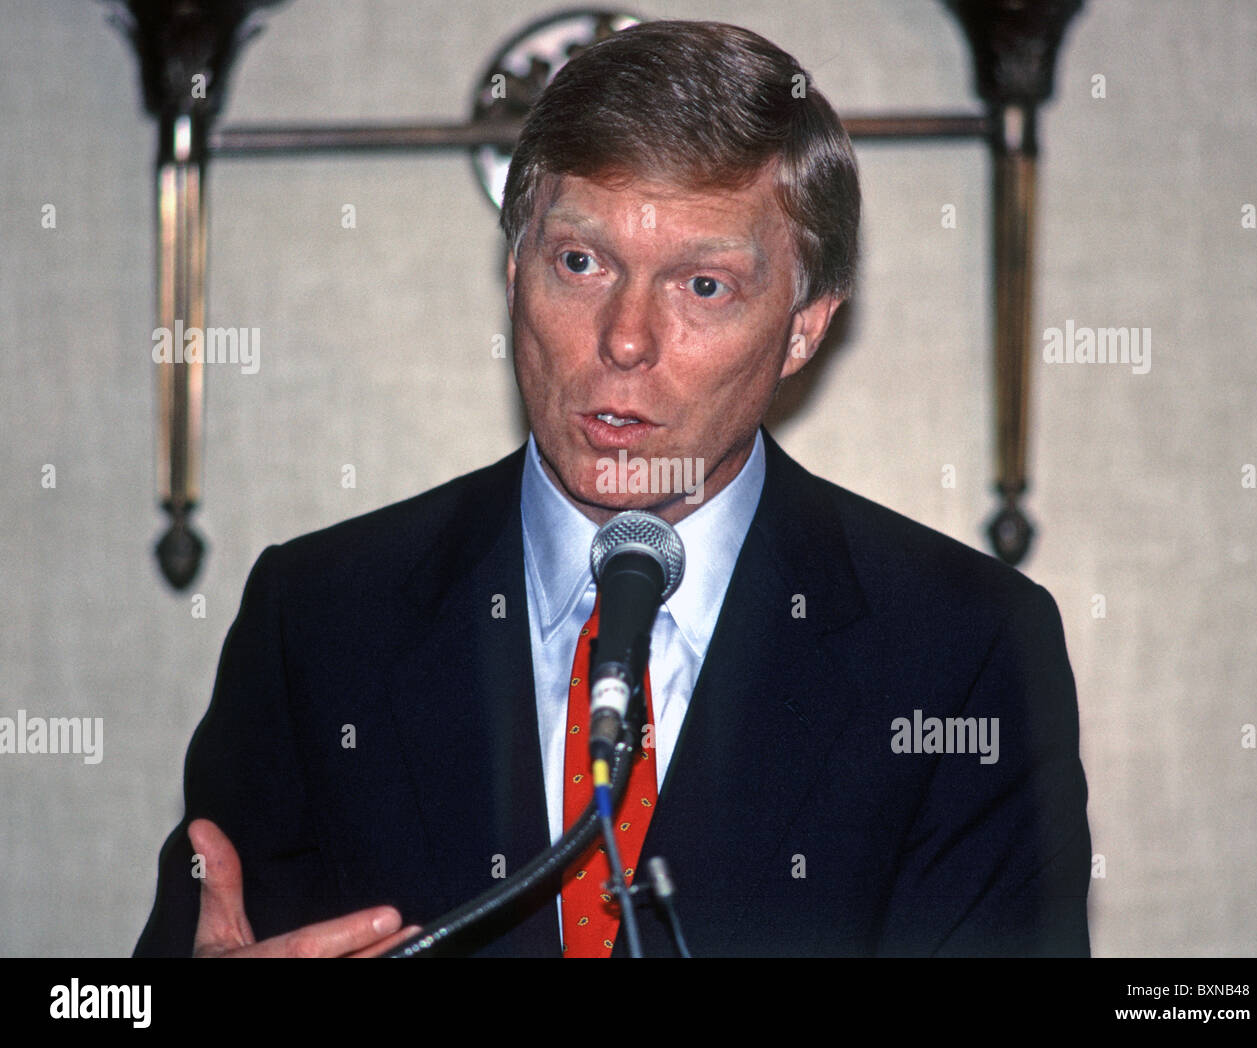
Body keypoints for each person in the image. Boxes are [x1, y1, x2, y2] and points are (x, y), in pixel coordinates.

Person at [135, 19, 1091, 958]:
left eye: (703, 286)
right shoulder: (315, 621)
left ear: (804, 325)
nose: (625, 339)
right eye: (581, 263)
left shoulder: (962, 649)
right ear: (514, 272)